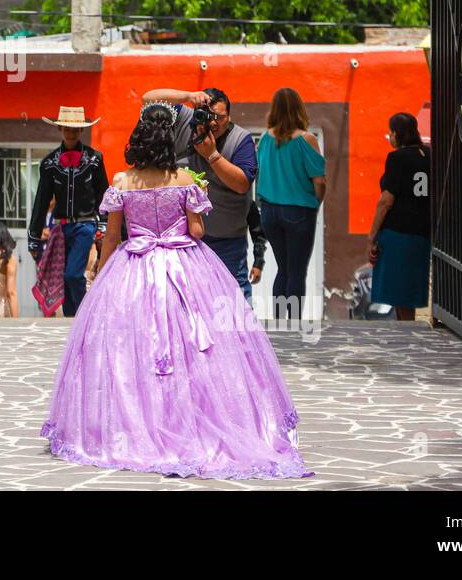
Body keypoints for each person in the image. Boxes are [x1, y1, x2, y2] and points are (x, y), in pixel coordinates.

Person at [39, 102, 311, 479]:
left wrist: (100, 281)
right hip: (184, 267)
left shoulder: (121, 183)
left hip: (132, 269)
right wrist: (181, 225)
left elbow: (113, 238)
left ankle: (131, 425)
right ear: (170, 140)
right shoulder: (184, 180)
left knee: (129, 349)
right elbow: (197, 232)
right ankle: (192, 419)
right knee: (197, 347)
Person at [144, 86, 259, 300]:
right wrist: (187, 97)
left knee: (232, 304)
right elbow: (147, 100)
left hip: (226, 241)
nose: (214, 123)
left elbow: (242, 184)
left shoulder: (241, 139)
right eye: (209, 116)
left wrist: (212, 155)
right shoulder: (184, 119)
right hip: (183, 239)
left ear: (229, 116)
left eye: (220, 117)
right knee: (188, 302)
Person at [28, 106, 109, 316]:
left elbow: (103, 194)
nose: (71, 133)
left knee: (73, 275)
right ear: (60, 129)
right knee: (63, 277)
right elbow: (42, 200)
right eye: (67, 129)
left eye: (75, 129)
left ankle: (84, 316)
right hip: (61, 229)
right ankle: (70, 321)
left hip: (85, 225)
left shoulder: (95, 159)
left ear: (81, 131)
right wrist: (34, 237)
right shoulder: (49, 163)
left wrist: (103, 224)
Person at [255, 88, 326, 322]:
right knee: (297, 270)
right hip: (298, 210)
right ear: (299, 108)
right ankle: (294, 322)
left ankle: (277, 320)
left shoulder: (265, 139)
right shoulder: (307, 139)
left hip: (269, 212)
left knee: (282, 268)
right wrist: (315, 202)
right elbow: (319, 180)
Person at [366, 113, 430, 321]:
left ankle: (407, 330)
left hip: (398, 231)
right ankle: (407, 327)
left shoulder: (397, 158)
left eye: (390, 132)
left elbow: (386, 201)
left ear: (396, 133)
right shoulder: (428, 155)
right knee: (409, 289)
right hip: (422, 229)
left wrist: (372, 234)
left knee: (398, 290)